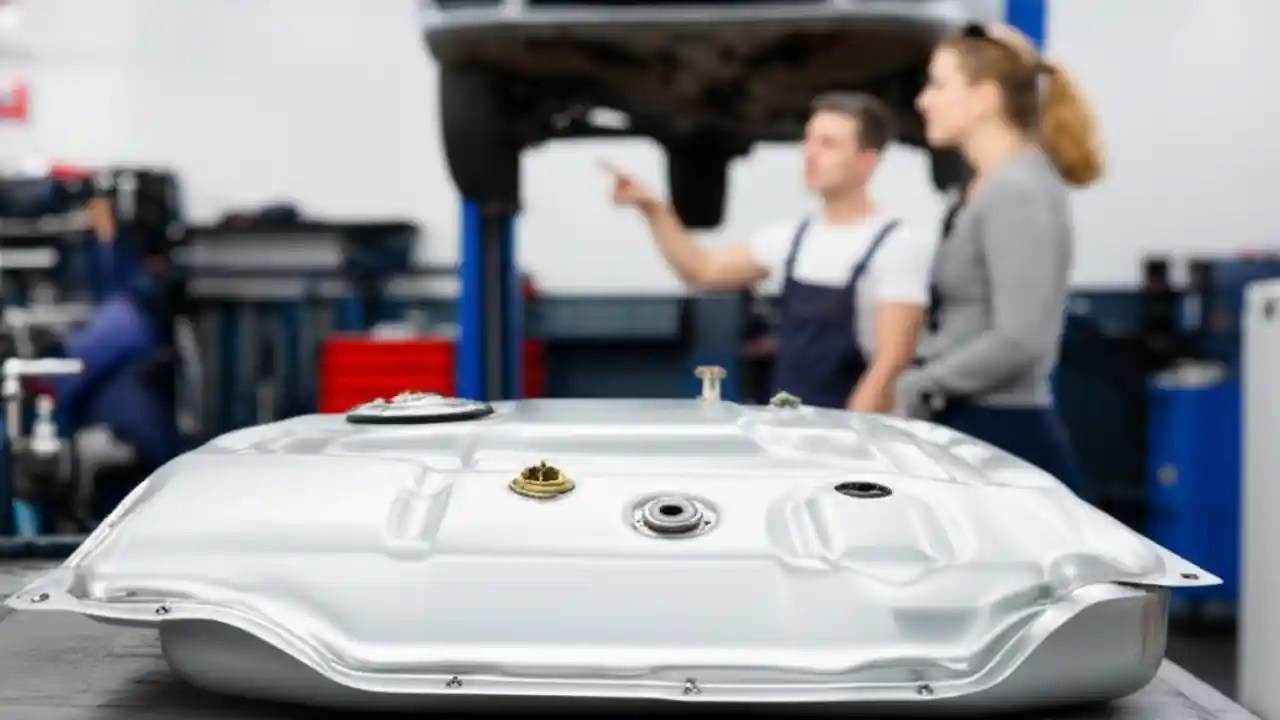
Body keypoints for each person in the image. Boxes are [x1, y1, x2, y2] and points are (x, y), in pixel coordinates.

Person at [607, 92, 936, 412]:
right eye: (808, 140)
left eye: (828, 144)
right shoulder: (792, 239)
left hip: (856, 434)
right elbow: (703, 270)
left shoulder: (898, 244)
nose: (810, 153)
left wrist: (851, 436)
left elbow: (891, 361)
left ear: (867, 161)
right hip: (790, 426)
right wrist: (652, 208)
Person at [896, 22, 1104, 488]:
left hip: (1003, 433)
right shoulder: (978, 188)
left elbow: (1020, 338)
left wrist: (924, 381)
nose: (922, 100)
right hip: (967, 424)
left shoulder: (1018, 190)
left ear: (985, 98)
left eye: (939, 84)